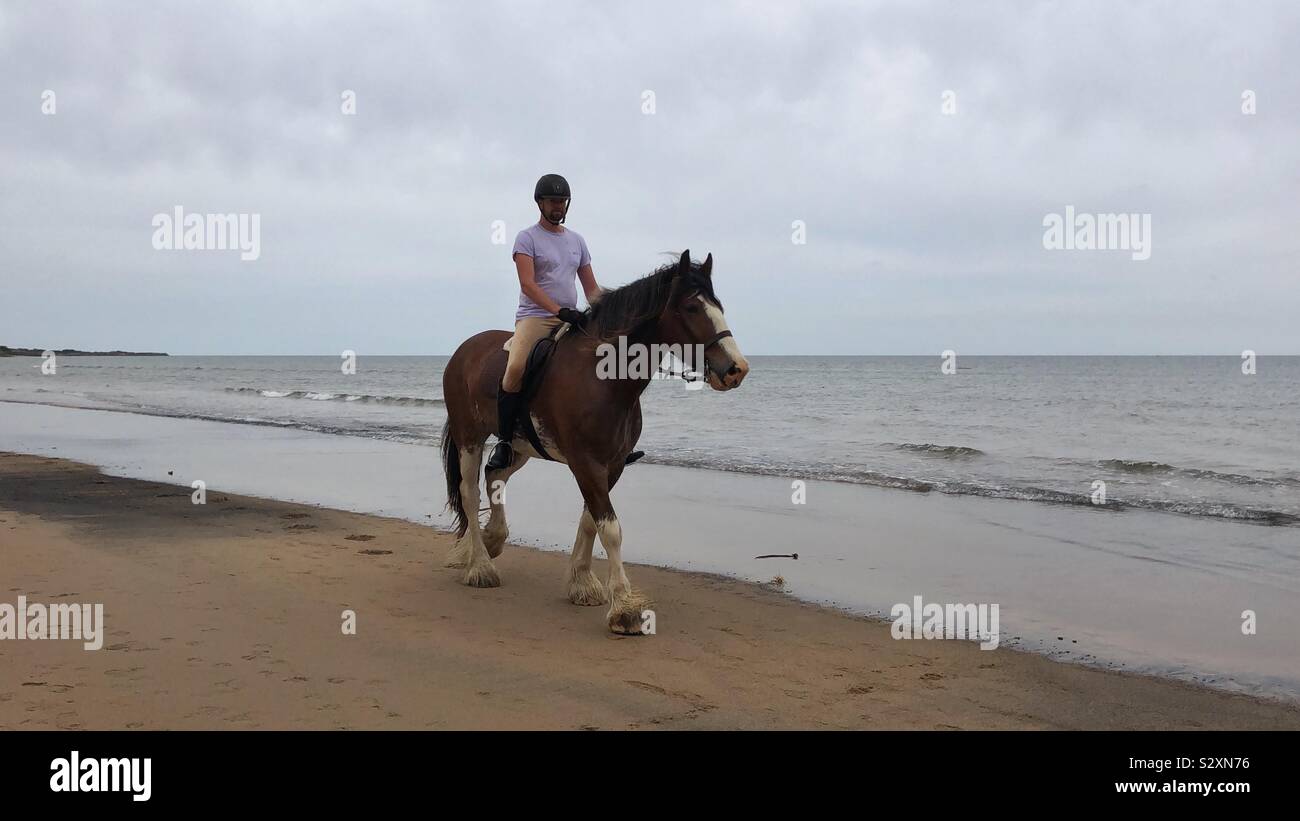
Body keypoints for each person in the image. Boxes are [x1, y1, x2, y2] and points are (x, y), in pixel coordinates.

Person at [486, 173, 603, 471]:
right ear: (540, 203)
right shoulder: (527, 238)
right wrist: (558, 310)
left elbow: (591, 289)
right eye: (552, 201)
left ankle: (609, 440)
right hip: (535, 318)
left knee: (605, 363)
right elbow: (528, 284)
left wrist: (607, 316)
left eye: (562, 201)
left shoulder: (578, 241)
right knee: (514, 368)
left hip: (572, 318)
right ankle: (504, 440)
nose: (558, 206)